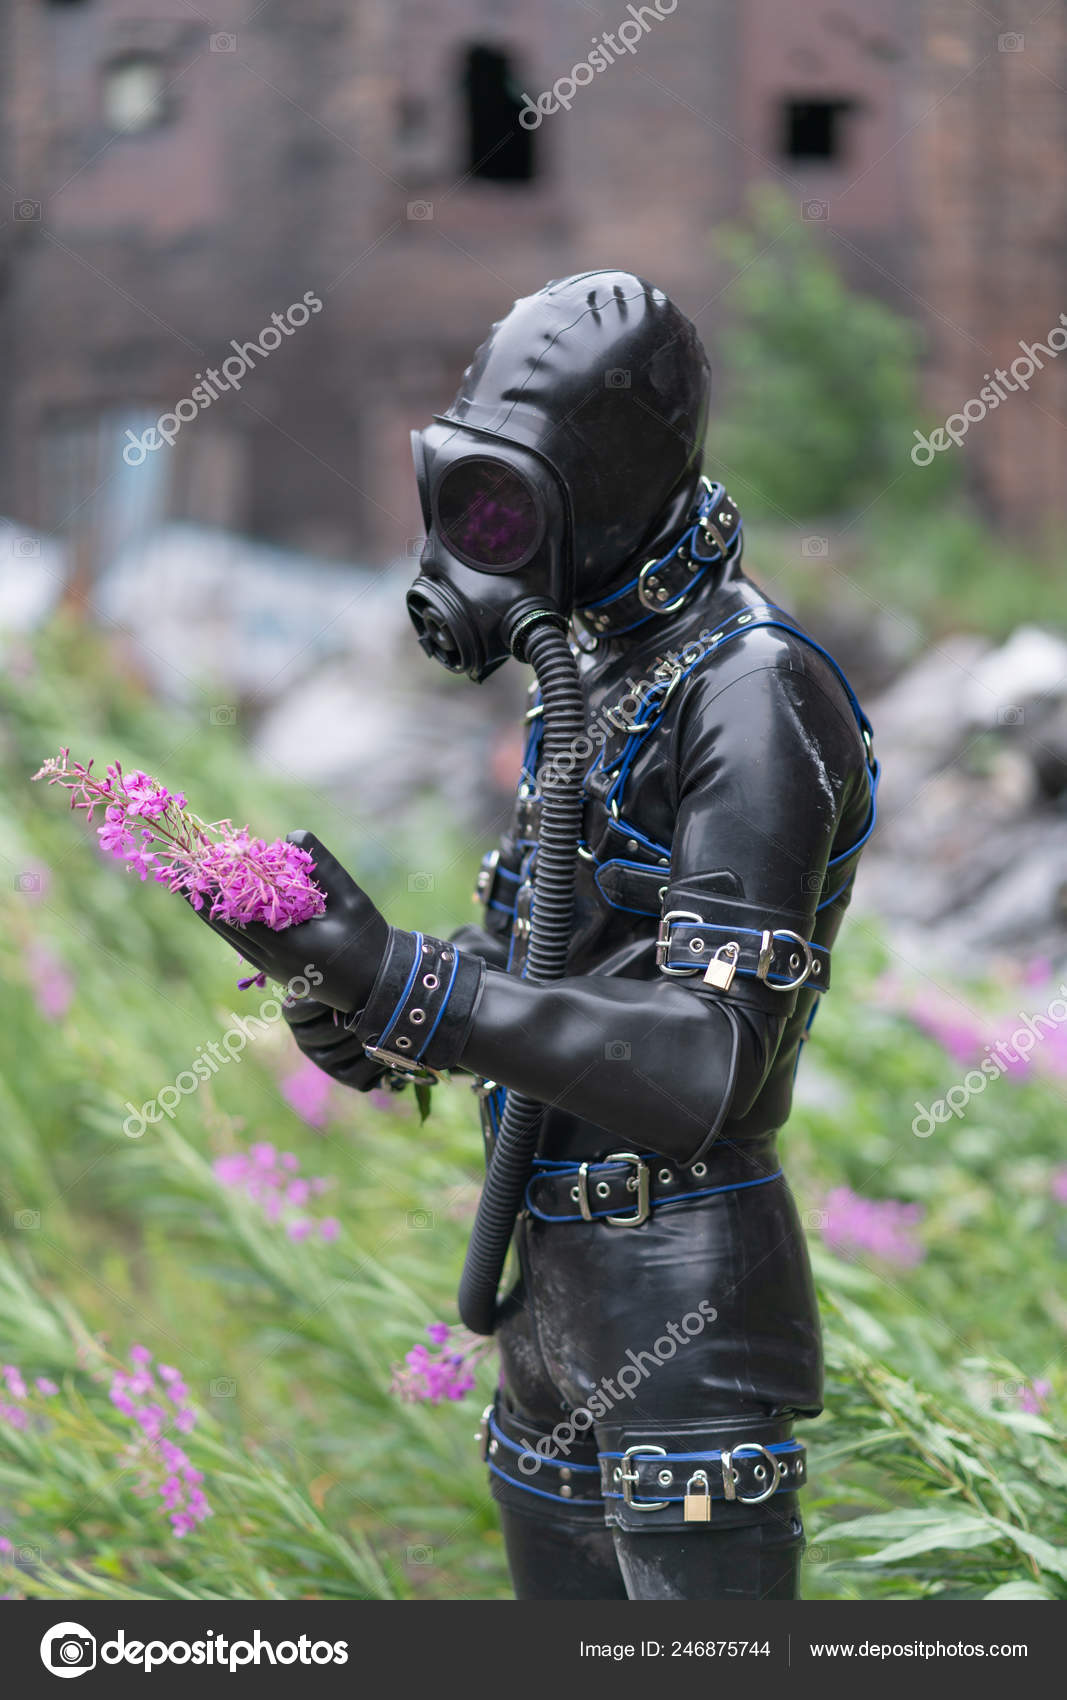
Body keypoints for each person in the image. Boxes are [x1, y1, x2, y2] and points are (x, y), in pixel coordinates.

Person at [192, 272, 877, 1600]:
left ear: (602, 493)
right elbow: (565, 965)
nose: (472, 550)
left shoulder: (754, 691)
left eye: (504, 510)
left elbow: (701, 1062)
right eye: (459, 502)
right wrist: (360, 996)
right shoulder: (607, 664)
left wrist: (417, 988)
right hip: (553, 1307)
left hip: (684, 1309)